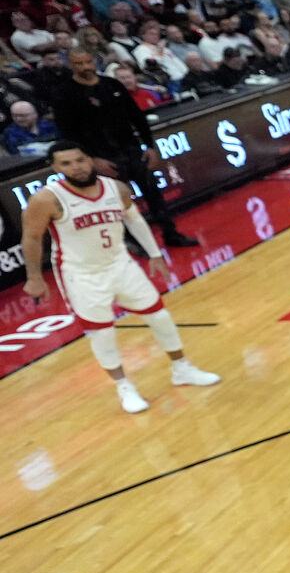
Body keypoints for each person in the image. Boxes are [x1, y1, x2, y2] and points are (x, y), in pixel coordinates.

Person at [18, 138, 221, 413]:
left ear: (89, 159)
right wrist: (34, 277)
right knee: (102, 333)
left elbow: (134, 220)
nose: (76, 167)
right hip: (81, 274)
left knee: (159, 315)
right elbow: (31, 238)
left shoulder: (116, 188)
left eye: (80, 160)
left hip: (120, 263)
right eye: (67, 163)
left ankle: (182, 368)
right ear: (55, 168)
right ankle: (124, 386)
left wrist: (155, 254)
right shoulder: (47, 199)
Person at [49, 47, 197, 246]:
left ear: (94, 62)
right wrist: (91, 159)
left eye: (87, 62)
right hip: (100, 155)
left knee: (153, 192)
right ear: (71, 65)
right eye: (79, 63)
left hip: (130, 149)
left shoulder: (112, 85)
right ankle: (129, 242)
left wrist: (149, 146)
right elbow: (67, 133)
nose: (85, 67)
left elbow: (137, 117)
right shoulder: (64, 93)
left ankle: (170, 233)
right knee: (115, 201)